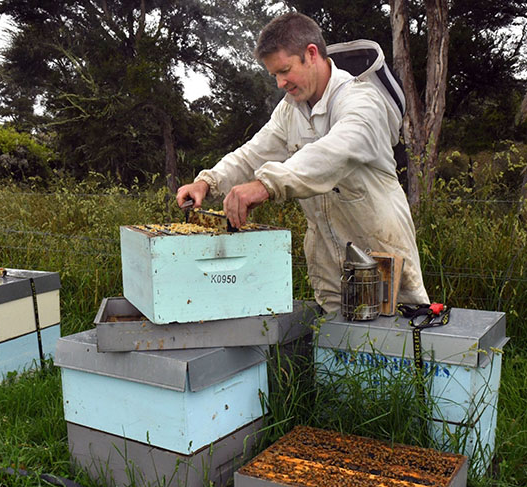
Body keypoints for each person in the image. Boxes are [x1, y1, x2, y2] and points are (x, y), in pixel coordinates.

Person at [176, 12, 428, 314]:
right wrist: (208, 182)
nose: (281, 83)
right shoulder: (290, 110)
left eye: (285, 70)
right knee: (335, 350)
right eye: (274, 76)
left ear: (311, 54)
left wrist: (266, 185)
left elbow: (334, 152)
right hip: (328, 260)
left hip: (381, 256)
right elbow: (253, 153)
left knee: (395, 346)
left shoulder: (362, 100)